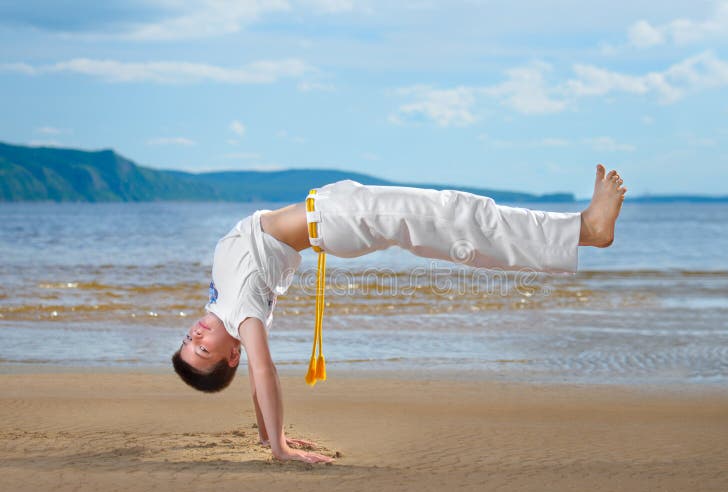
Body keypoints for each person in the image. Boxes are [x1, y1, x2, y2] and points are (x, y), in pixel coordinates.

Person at [172, 164, 627, 464]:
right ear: (230, 355)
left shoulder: (223, 303)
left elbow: (255, 376)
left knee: (453, 228)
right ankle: (586, 230)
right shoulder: (242, 313)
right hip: (337, 219)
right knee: (457, 216)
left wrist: (265, 436)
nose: (195, 336)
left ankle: (579, 233)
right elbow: (263, 373)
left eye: (188, 342)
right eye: (203, 350)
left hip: (331, 213)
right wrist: (280, 449)